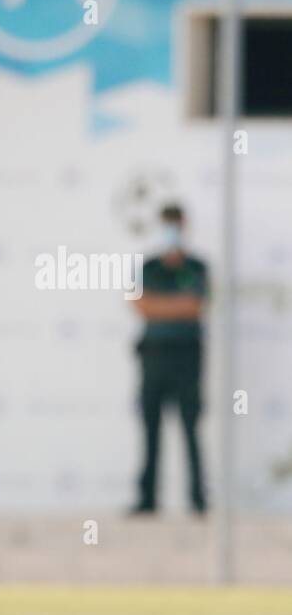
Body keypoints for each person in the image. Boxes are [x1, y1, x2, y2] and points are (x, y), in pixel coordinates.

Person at [130, 204, 208, 515]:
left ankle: (198, 500)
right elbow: (140, 306)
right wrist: (175, 306)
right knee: (150, 428)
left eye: (176, 225)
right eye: (167, 225)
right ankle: (148, 500)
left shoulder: (198, 267)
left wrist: (158, 305)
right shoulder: (148, 267)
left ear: (185, 227)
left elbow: (196, 306)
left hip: (187, 358)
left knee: (190, 427)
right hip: (153, 357)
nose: (172, 231)